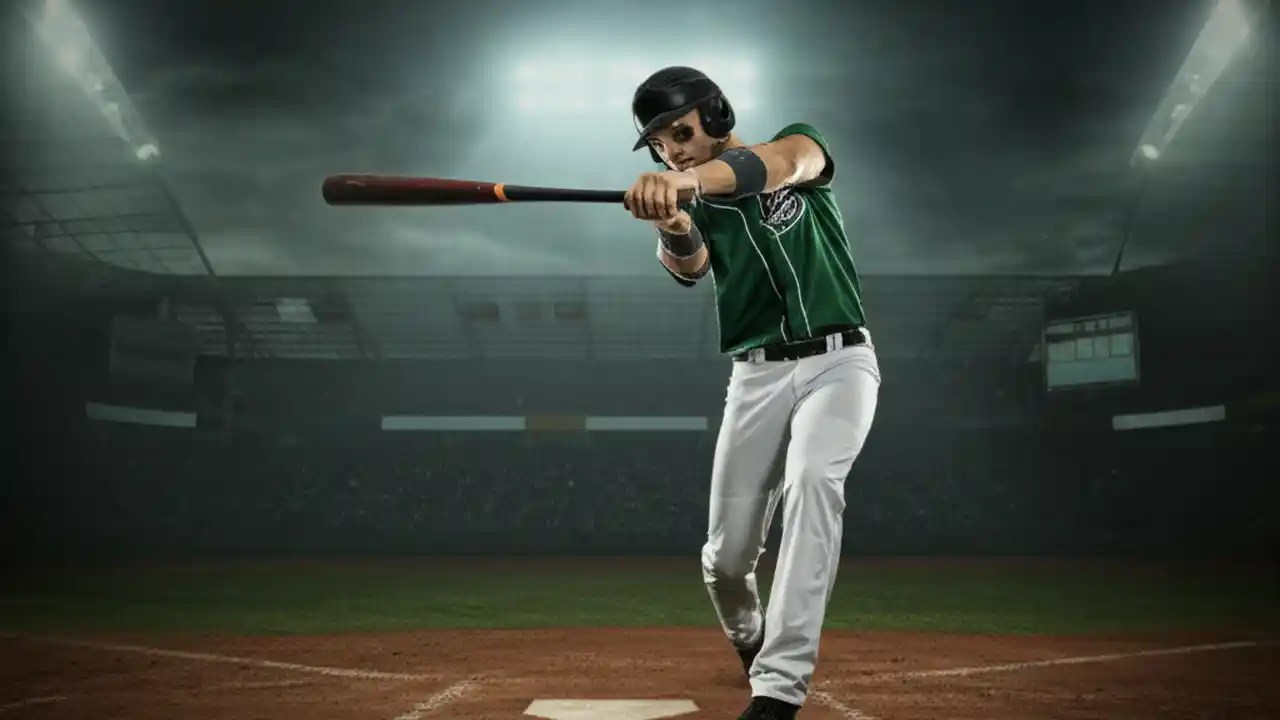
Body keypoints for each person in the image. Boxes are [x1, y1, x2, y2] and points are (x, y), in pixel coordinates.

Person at [623, 66, 881, 720]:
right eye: (658, 145)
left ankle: (779, 687)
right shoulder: (694, 198)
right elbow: (689, 266)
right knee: (727, 558)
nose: (671, 150)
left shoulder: (797, 147)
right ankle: (748, 637)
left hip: (840, 361)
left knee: (814, 481)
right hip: (756, 375)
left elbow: (774, 166)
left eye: (680, 132)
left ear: (717, 112)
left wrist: (681, 182)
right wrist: (673, 220)